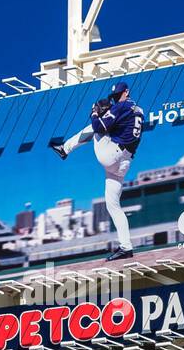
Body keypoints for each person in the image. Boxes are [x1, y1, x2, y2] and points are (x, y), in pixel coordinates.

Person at [49, 80, 144, 260]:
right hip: (124, 163)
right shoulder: (139, 110)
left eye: (118, 95)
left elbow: (99, 126)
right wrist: (108, 114)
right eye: (114, 97)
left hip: (112, 156)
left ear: (127, 92)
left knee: (94, 128)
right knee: (113, 205)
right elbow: (126, 129)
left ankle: (64, 149)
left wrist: (95, 113)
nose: (116, 99)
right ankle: (126, 247)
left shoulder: (122, 107)